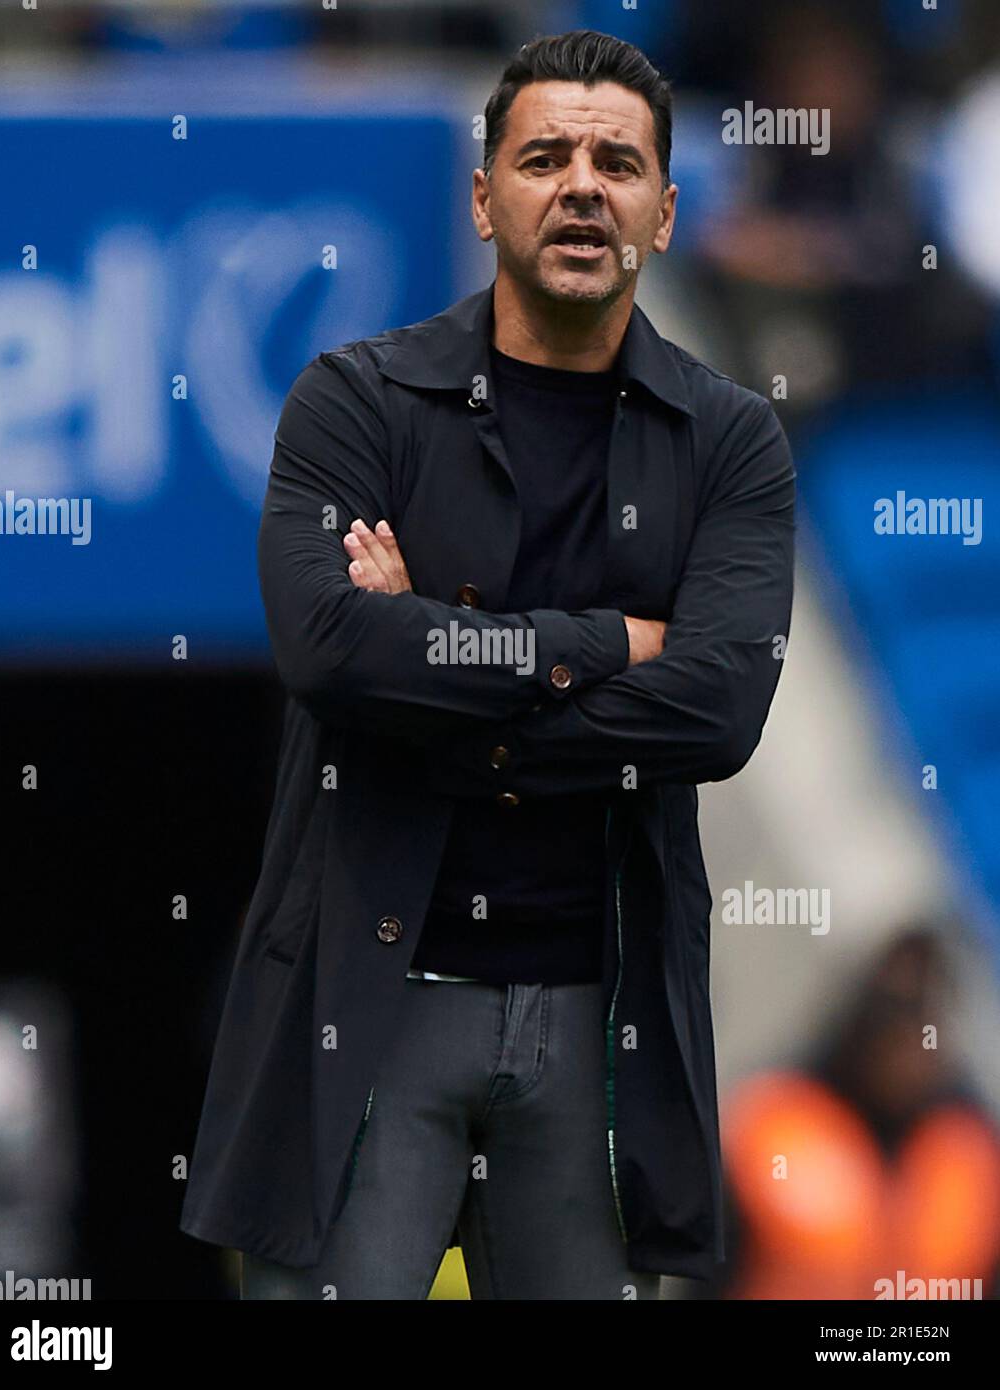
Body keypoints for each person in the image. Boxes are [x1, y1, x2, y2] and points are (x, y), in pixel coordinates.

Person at [179, 28, 796, 1300]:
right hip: (370, 1001)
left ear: (666, 212)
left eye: (617, 162)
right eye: (545, 157)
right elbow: (331, 649)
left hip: (599, 1019)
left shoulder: (730, 442)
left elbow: (721, 710)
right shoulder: (353, 401)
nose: (582, 185)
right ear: (483, 198)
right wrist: (602, 645)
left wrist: (437, 689)